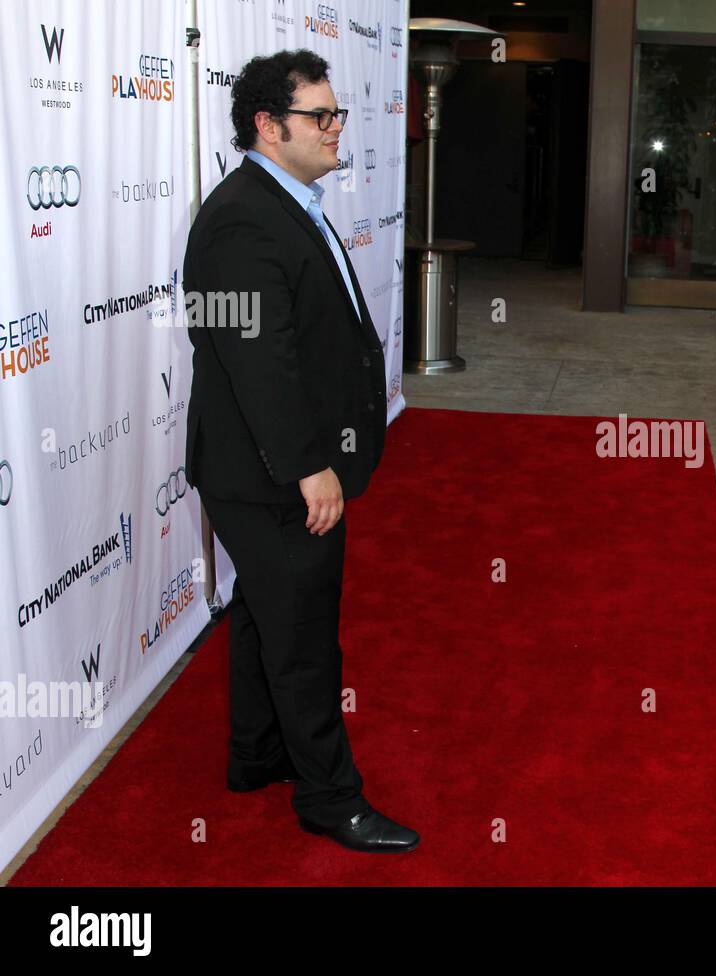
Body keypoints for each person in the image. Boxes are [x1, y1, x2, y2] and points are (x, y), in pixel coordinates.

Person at [183, 50, 418, 853]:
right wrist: (307, 466)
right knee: (305, 637)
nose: (336, 127)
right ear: (268, 126)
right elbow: (258, 361)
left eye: (336, 113)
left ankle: (256, 756)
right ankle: (329, 797)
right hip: (272, 476)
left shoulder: (286, 201)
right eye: (320, 116)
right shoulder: (244, 217)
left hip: (275, 468)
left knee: (262, 613)